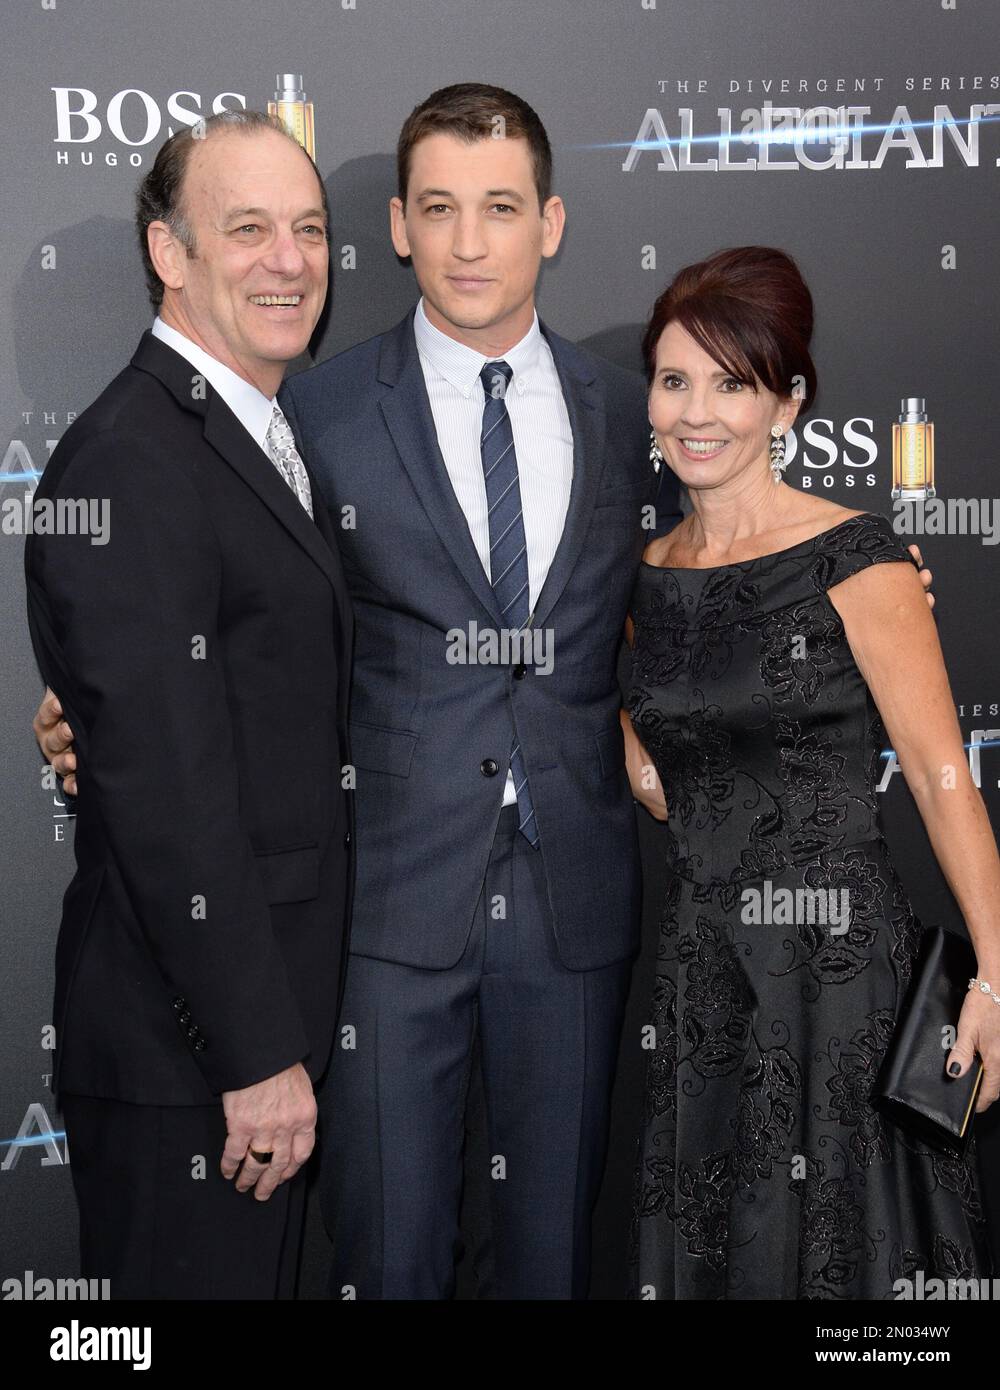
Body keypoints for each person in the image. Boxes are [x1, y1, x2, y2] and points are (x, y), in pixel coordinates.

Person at [622, 245, 1000, 1299]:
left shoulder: (857, 558)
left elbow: (940, 781)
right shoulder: (644, 575)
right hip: (705, 976)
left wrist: (995, 983)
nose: (696, 411)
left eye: (730, 383)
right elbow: (659, 776)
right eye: (673, 378)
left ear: (786, 405)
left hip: (837, 982)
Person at [24, 110, 354, 1299]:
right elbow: (170, 795)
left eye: (309, 230)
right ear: (171, 254)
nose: (290, 260)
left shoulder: (255, 434)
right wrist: (259, 1056)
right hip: (198, 1061)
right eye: (250, 229)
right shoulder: (135, 460)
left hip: (240, 1047)